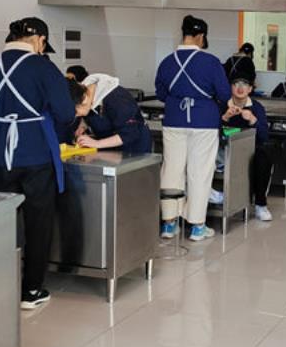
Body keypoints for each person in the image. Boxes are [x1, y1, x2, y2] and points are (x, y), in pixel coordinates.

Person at [0, 17, 76, 309]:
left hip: (0, 153)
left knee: (0, 221)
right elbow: (65, 113)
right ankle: (31, 290)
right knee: (38, 224)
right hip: (35, 153)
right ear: (40, 40)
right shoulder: (43, 67)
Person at [155, 15, 232, 242]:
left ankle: (169, 223)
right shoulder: (211, 62)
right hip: (204, 122)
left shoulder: (167, 62)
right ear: (201, 36)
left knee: (171, 170)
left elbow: (161, 93)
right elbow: (224, 94)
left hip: (174, 120)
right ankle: (197, 226)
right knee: (200, 172)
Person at [221, 69, 274, 221]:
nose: (240, 87)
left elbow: (264, 136)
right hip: (224, 151)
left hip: (250, 153)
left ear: (250, 89)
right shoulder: (221, 105)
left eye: (244, 84)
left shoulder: (257, 107)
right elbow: (211, 132)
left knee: (264, 155)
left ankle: (260, 204)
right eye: (236, 84)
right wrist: (225, 118)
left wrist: (252, 120)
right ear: (230, 87)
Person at [67, 73, 151, 153]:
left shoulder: (118, 99)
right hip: (110, 147)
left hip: (133, 148)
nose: (75, 116)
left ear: (84, 101)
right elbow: (92, 111)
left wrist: (96, 143)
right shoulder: (85, 94)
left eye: (76, 112)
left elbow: (130, 133)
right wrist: (83, 125)